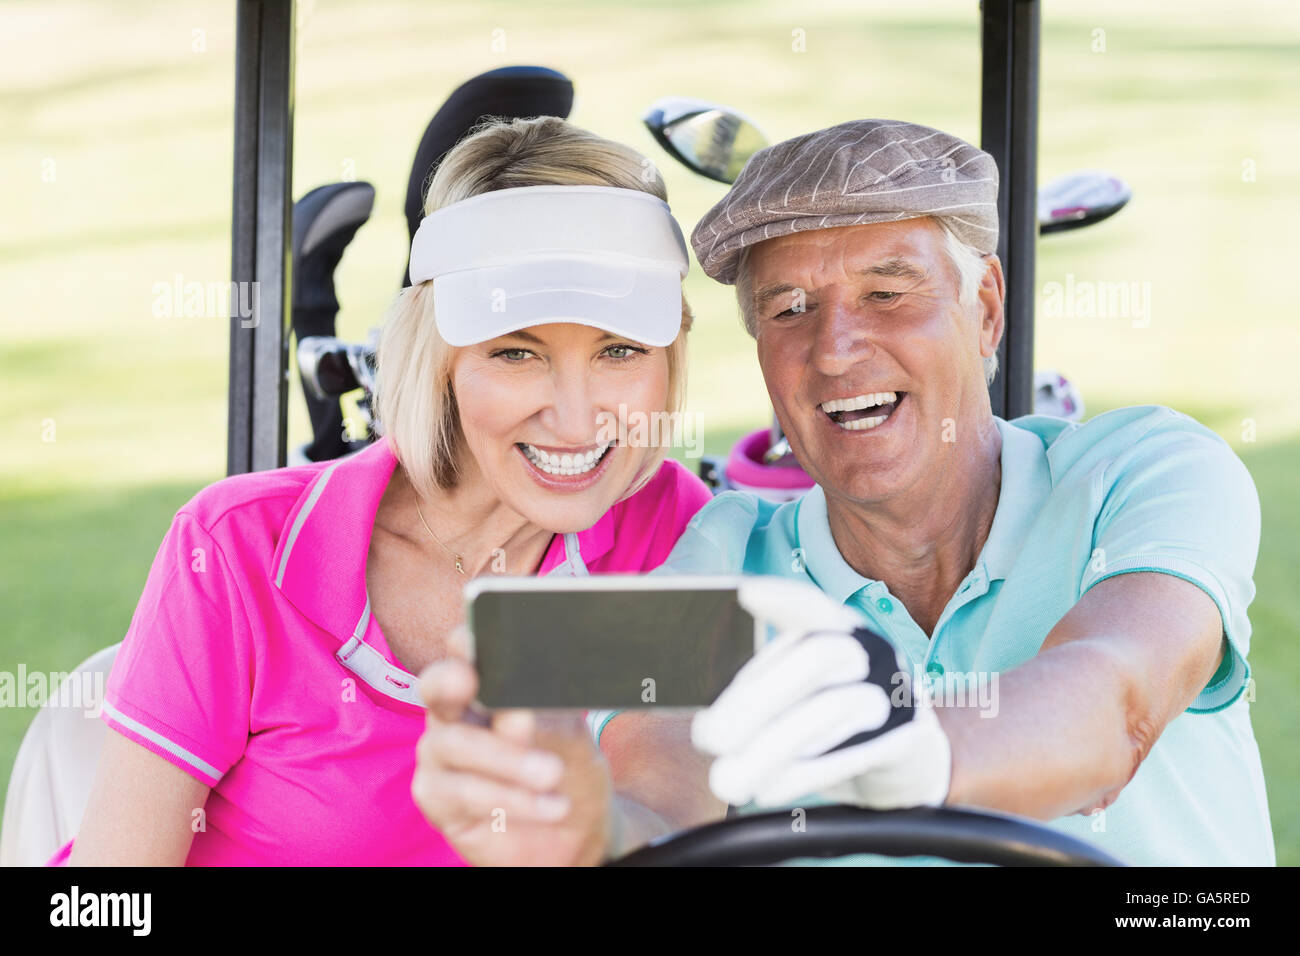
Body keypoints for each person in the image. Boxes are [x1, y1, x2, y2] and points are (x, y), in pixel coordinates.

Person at [413, 118, 1275, 866]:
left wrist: (921, 751)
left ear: (986, 309)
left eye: (887, 293)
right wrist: (585, 827)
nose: (835, 350)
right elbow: (664, 793)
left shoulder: (1144, 470)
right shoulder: (726, 553)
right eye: (789, 310)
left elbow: (1118, 693)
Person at [62, 116, 713, 865]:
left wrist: (591, 828)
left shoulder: (664, 527)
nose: (574, 418)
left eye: (620, 350)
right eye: (516, 352)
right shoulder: (236, 547)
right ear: (441, 359)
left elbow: (669, 809)